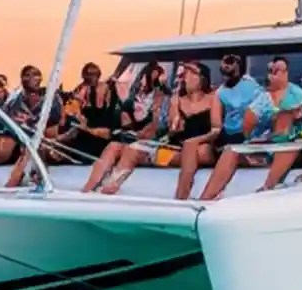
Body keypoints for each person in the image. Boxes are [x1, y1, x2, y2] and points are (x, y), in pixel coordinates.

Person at [90, 62, 218, 196]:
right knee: (133, 149)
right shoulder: (177, 100)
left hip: (202, 146)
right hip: (178, 149)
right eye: (185, 74)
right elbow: (173, 129)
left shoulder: (213, 98)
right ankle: (108, 187)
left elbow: (216, 128)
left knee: (201, 151)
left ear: (202, 79)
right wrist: (174, 121)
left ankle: (183, 193)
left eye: (191, 74)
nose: (185, 77)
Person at [197, 55, 302, 200]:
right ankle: (206, 197)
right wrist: (253, 136)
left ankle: (267, 189)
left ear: (286, 73)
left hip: (292, 142)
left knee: (287, 138)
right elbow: (249, 120)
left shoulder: (297, 93)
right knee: (232, 150)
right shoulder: (264, 96)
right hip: (266, 143)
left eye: (276, 71)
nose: (272, 74)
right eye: (270, 70)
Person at [175, 54, 261, 199]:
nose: (225, 66)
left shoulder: (253, 88)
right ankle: (181, 197)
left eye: (230, 62)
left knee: (222, 149)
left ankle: (205, 197)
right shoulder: (220, 93)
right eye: (223, 63)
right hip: (223, 139)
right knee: (190, 145)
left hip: (247, 141)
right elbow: (216, 128)